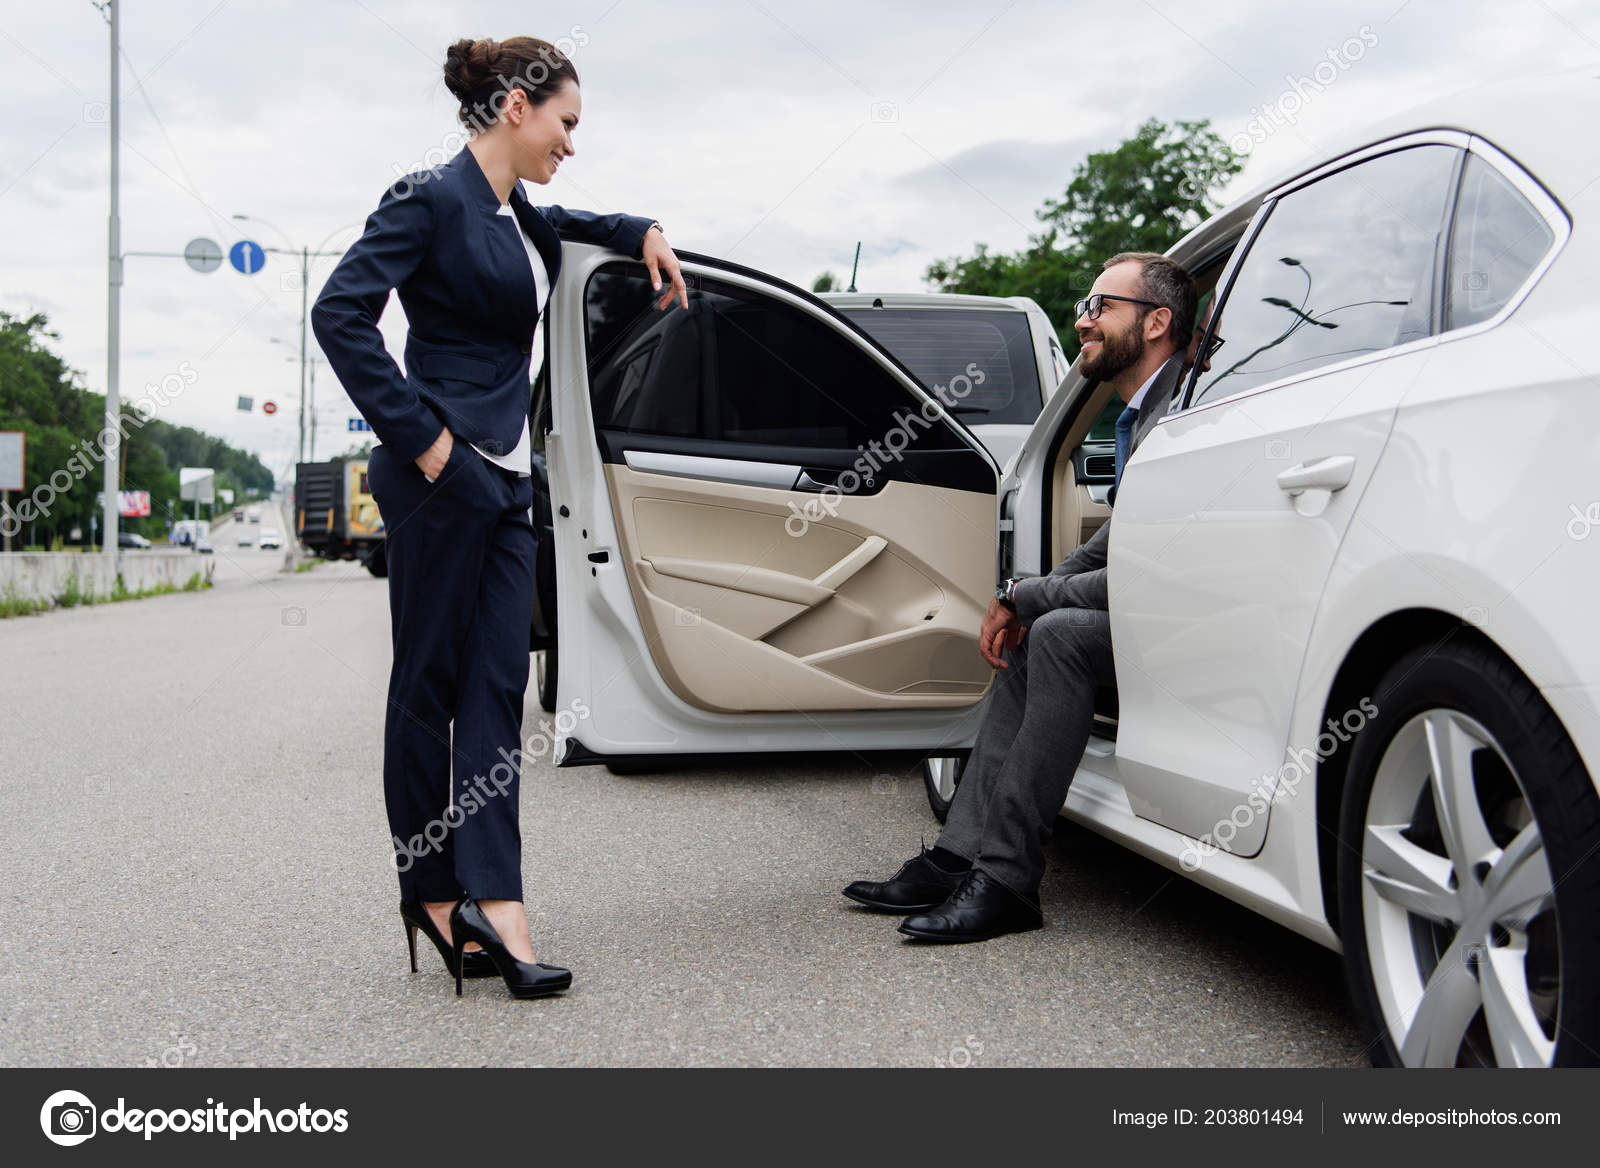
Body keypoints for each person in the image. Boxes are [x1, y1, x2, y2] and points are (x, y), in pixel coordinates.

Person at [312, 35, 687, 998]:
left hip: (511, 486)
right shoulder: (427, 198)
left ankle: (499, 901)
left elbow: (577, 215)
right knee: (425, 693)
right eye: (565, 122)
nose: (571, 143)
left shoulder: (524, 214)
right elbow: (340, 312)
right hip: (440, 475)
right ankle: (432, 893)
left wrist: (639, 225)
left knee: (494, 696)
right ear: (517, 108)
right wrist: (426, 445)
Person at [843, 252, 1196, 943]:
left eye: (1101, 306)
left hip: (1205, 618)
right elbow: (1121, 544)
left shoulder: (1180, 419)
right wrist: (1020, 595)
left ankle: (1006, 881)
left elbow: (1148, 574)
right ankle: (957, 858)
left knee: (1060, 631)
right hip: (1166, 604)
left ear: (1157, 323)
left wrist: (1032, 594)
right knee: (1041, 628)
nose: (1083, 320)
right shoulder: (1141, 415)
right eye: (1085, 307)